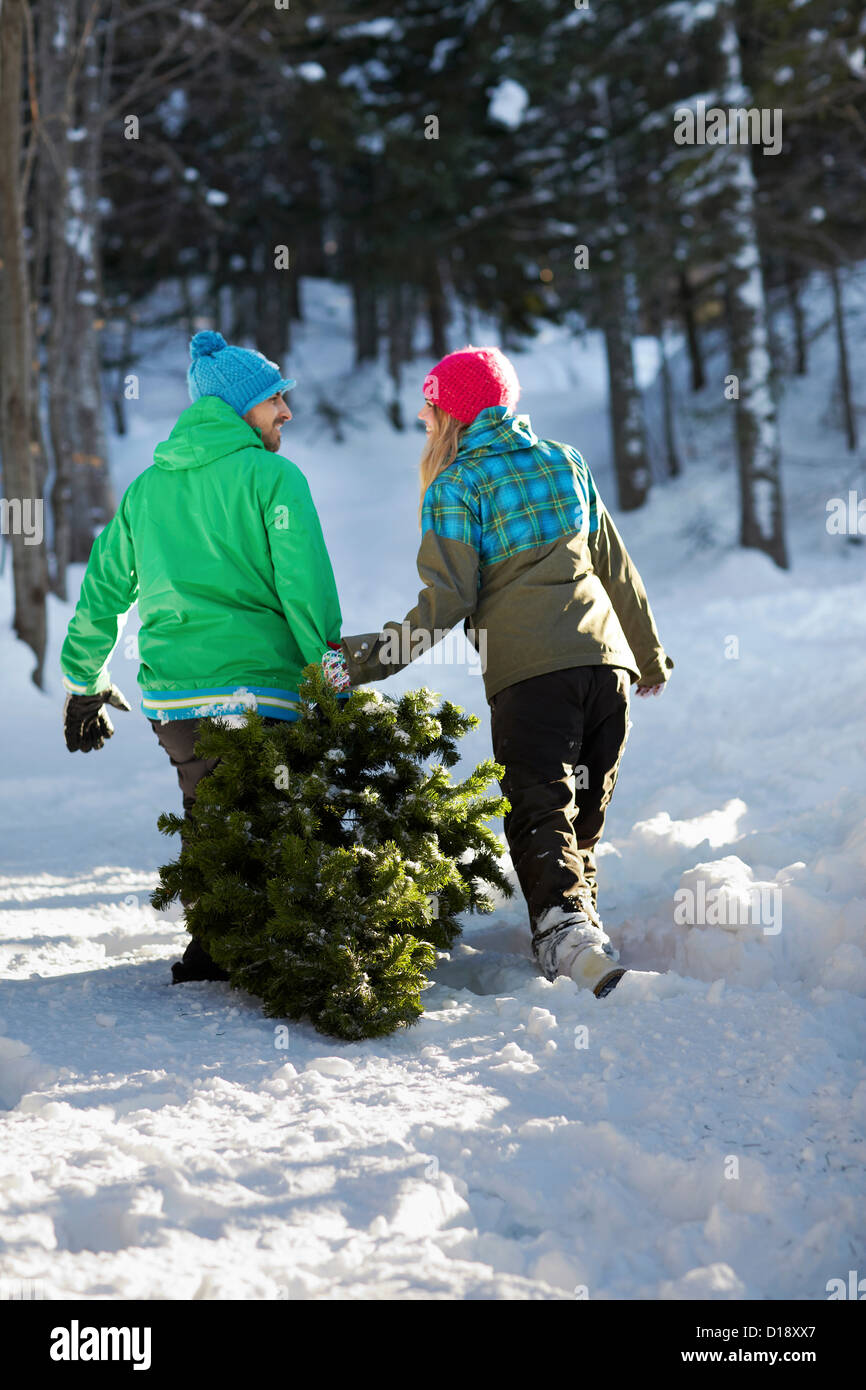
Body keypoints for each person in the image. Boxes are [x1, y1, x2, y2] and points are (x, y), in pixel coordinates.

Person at [321, 345, 673, 998]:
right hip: (606, 670)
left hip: (532, 676)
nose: (425, 427)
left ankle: (568, 942)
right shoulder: (565, 460)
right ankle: (583, 939)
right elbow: (615, 567)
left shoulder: (457, 484)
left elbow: (445, 603)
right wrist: (648, 657)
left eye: (429, 415)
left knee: (541, 809)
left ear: (451, 417)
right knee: (581, 819)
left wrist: (361, 662)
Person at [61, 330, 344, 982]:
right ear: (241, 406)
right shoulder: (272, 477)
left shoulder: (145, 491)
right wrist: (330, 676)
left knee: (211, 807)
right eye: (276, 399)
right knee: (272, 814)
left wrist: (84, 681)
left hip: (179, 703)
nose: (287, 412)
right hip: (261, 688)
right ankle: (272, 946)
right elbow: (305, 589)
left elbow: (102, 592)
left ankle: (218, 945)